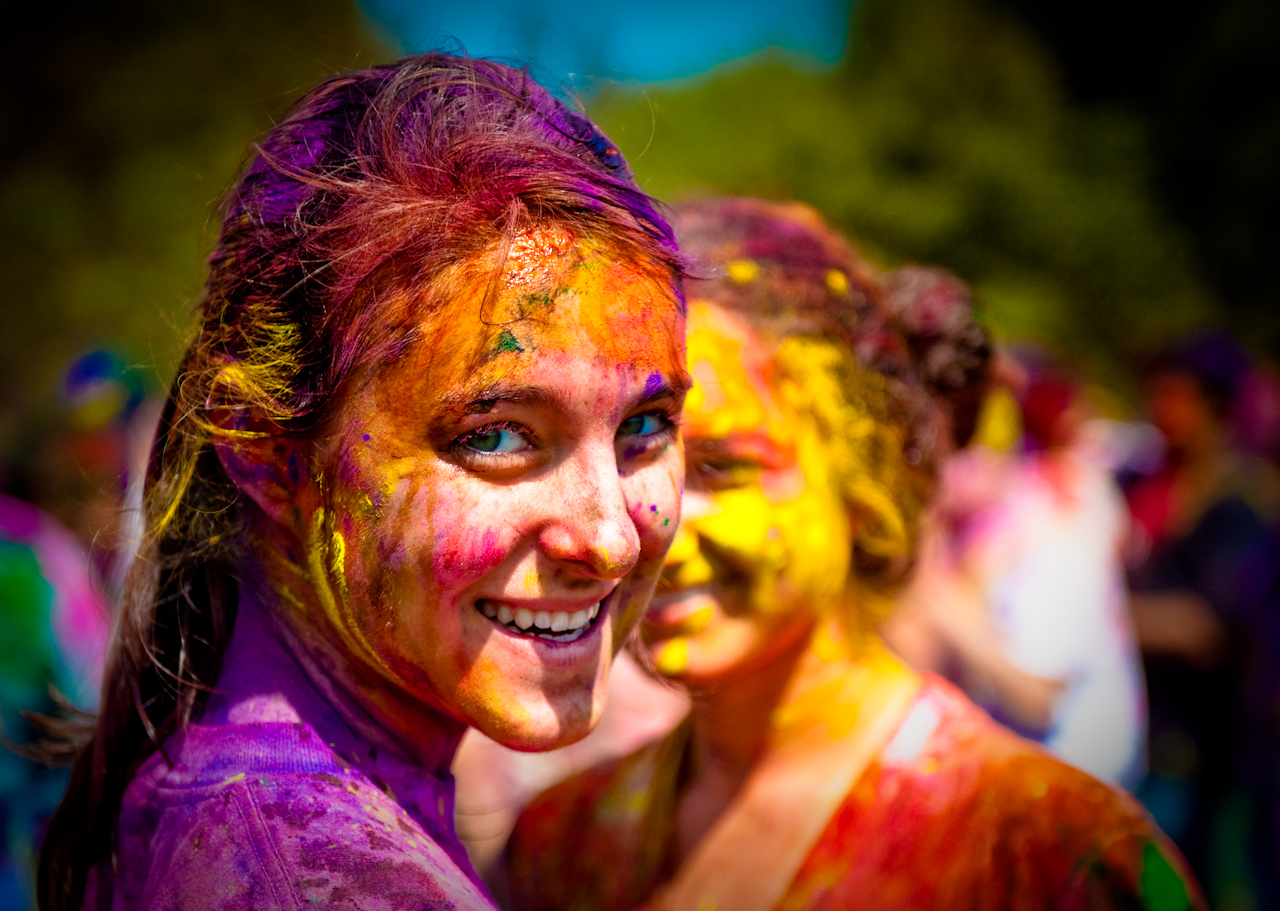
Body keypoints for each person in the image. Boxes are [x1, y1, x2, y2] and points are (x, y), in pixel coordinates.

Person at [36, 53, 689, 911]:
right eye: (496, 435)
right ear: (265, 449)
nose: (610, 538)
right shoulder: (324, 882)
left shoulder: (225, 801)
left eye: (645, 426)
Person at [505, 198, 1200, 911]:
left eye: (721, 467)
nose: (643, 526)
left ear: (865, 473)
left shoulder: (1050, 855)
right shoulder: (563, 844)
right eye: (629, 454)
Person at [887, 352, 1147, 790]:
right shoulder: (982, 526)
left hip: (1076, 790)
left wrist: (938, 599)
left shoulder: (1051, 537)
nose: (931, 473)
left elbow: (1039, 699)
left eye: (953, 446)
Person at [1124, 333, 1280, 906]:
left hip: (1194, 740)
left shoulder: (1240, 504)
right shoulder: (1141, 482)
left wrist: (1098, 619)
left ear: (1213, 405)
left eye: (1174, 395)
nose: (1158, 408)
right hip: (1136, 725)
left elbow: (1207, 625)